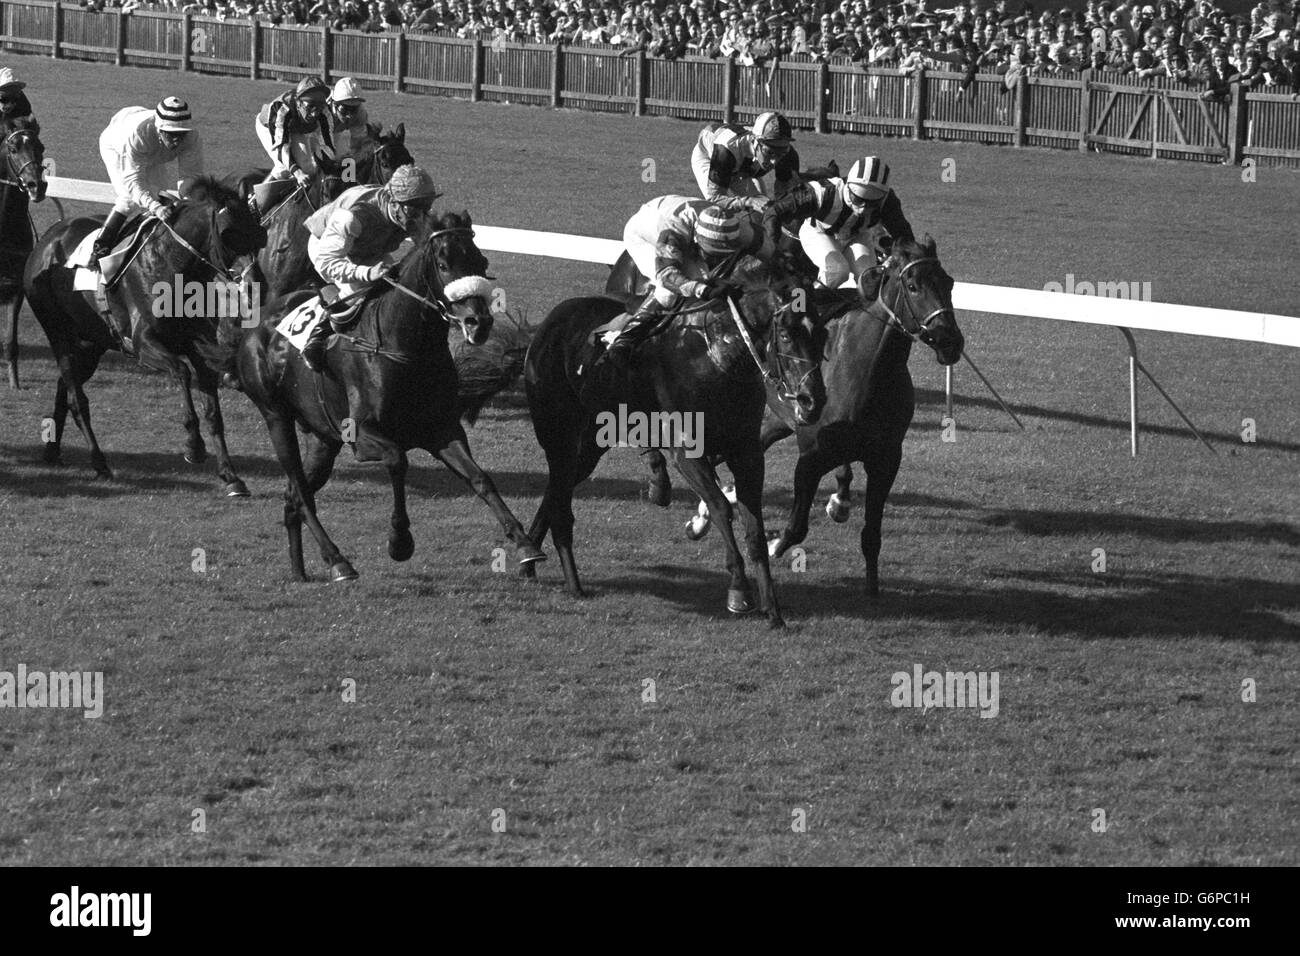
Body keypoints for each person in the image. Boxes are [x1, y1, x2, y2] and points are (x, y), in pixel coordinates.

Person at [299, 164, 441, 371]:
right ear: (394, 202)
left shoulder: (410, 210)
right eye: (413, 208)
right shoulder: (354, 216)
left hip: (370, 246)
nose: (420, 217)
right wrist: (366, 273)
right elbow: (327, 263)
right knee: (358, 289)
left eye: (425, 207)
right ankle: (317, 336)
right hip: (327, 247)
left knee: (399, 286)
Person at [596, 199, 759, 372]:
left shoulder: (737, 230)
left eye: (720, 256)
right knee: (669, 292)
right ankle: (623, 340)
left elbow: (766, 252)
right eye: (711, 255)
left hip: (679, 223)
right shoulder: (672, 234)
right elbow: (668, 276)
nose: (715, 262)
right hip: (643, 234)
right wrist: (703, 290)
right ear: (697, 240)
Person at [761, 156, 915, 293]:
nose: (862, 210)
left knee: (869, 281)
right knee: (837, 271)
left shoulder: (888, 202)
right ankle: (806, 306)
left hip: (857, 236)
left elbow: (903, 235)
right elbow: (774, 212)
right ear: (849, 187)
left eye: (871, 204)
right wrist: (772, 250)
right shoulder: (823, 193)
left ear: (882, 197)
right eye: (858, 200)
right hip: (819, 232)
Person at [94, 96, 204, 269]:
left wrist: (189, 201)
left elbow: (190, 177)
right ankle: (100, 248)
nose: (177, 140)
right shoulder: (139, 134)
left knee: (161, 195)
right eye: (171, 134)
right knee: (130, 199)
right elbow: (133, 181)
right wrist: (155, 207)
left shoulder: (192, 137)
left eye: (181, 135)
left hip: (152, 153)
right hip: (116, 146)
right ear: (159, 129)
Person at [690, 111, 800, 215]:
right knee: (719, 212)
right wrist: (749, 202)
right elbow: (715, 199)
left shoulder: (788, 154)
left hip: (742, 165)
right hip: (710, 158)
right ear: (755, 141)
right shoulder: (726, 149)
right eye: (769, 152)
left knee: (765, 211)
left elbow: (788, 197)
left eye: (781, 152)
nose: (774, 161)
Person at [254, 77, 333, 189]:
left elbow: (328, 145)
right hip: (269, 126)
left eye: (319, 107)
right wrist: (297, 173)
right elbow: (281, 147)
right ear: (298, 102)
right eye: (310, 107)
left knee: (309, 167)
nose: (315, 114)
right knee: (284, 167)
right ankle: (256, 200)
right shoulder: (282, 108)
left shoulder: (325, 112)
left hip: (296, 128)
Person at [325, 77, 370, 160]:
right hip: (312, 134)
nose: (349, 115)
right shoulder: (322, 110)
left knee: (343, 157)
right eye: (345, 109)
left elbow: (358, 144)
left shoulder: (360, 113)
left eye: (353, 109)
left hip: (336, 131)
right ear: (335, 104)